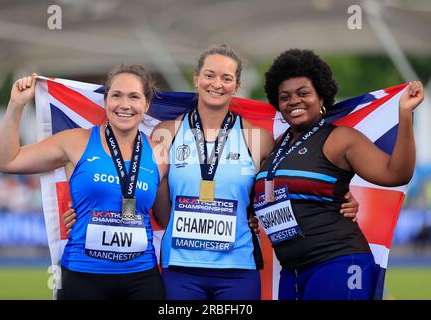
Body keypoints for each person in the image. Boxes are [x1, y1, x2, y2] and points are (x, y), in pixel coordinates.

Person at [62, 45, 359, 300]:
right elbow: (141, 187)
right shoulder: (166, 133)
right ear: (196, 78)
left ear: (237, 85)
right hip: (181, 268)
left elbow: (285, 182)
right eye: (210, 75)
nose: (217, 83)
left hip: (238, 269)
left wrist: (337, 199)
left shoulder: (259, 138)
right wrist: (87, 212)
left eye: (226, 78)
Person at [253, 49, 424, 300]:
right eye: (285, 97)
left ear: (321, 95)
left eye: (303, 93)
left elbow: (396, 173)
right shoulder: (277, 145)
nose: (294, 101)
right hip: (292, 272)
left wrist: (405, 115)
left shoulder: (339, 138)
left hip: (338, 263)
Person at [0, 64, 170, 300]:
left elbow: (164, 217)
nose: (124, 104)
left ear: (145, 105)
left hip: (142, 279)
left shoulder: (159, 152)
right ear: (106, 101)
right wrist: (17, 105)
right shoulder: (76, 142)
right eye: (116, 95)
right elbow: (7, 161)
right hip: (83, 276)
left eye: (134, 97)